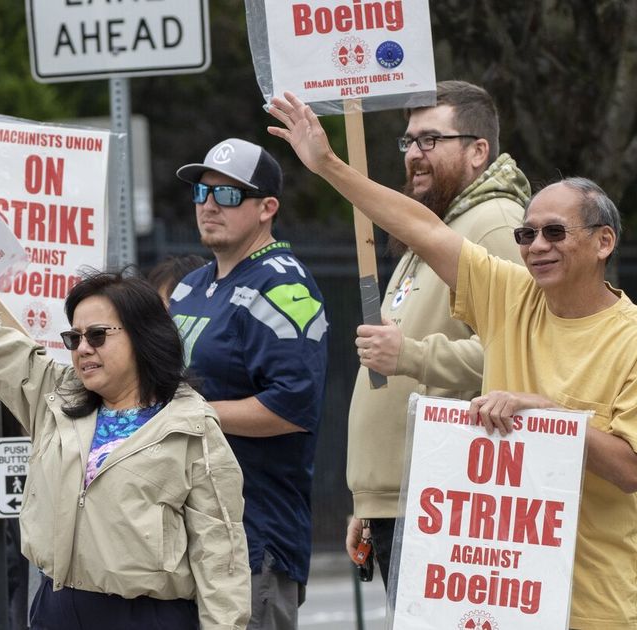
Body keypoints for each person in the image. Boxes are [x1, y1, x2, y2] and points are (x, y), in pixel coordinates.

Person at [269, 91, 637, 630]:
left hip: (593, 606)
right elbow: (423, 228)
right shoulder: (509, 294)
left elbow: (630, 468)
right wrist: (327, 164)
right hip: (493, 598)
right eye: (526, 234)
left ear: (604, 241)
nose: (536, 246)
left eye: (555, 232)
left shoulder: (629, 337)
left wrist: (546, 415)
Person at [0, 195, 250, 629]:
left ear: (143, 337)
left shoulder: (192, 427)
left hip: (147, 616)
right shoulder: (57, 398)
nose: (83, 348)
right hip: (58, 609)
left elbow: (222, 556)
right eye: (75, 337)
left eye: (99, 335)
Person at [344, 81, 529, 587]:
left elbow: (520, 353)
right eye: (408, 142)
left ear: (478, 151)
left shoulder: (494, 224)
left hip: (444, 497)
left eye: (430, 140)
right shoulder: (439, 225)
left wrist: (411, 354)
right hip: (403, 498)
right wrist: (371, 498)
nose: (415, 155)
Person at [169, 138, 328, 629]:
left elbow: (293, 408)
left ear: (267, 208)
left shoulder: (285, 286)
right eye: (201, 192)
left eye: (229, 195)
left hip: (252, 540)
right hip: (186, 533)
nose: (210, 205)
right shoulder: (191, 286)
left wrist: (188, 416)